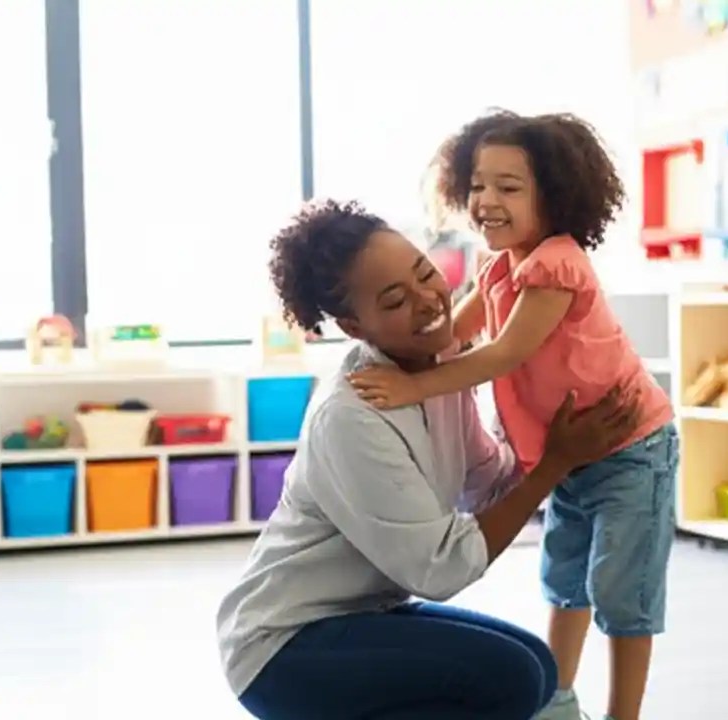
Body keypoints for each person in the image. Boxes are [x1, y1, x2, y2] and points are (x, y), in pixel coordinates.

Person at [216, 199, 643, 720]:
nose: (428, 300)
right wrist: (554, 463)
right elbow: (441, 568)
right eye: (395, 301)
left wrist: (557, 428)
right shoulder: (351, 417)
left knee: (538, 665)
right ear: (354, 326)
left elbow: (488, 481)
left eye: (425, 273)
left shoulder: (438, 371)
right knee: (508, 678)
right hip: (282, 649)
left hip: (361, 612)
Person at [349, 109, 678, 720]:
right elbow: (459, 331)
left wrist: (411, 387)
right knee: (564, 578)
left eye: (508, 187)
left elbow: (504, 352)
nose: (486, 200)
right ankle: (555, 701)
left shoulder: (556, 264)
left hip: (632, 447)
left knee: (620, 590)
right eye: (477, 184)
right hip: (572, 452)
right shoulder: (501, 265)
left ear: (553, 197)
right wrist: (403, 355)